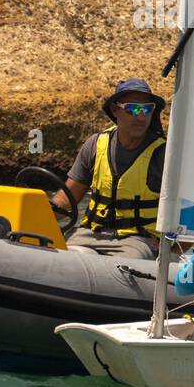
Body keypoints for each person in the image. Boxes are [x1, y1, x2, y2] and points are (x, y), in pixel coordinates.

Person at [55, 78, 167, 259]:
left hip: (137, 240)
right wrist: (39, 214)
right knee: (59, 257)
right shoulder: (94, 145)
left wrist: (173, 250)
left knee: (124, 269)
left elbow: (188, 212)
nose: (141, 116)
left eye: (147, 109)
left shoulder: (163, 154)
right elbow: (67, 199)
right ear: (115, 110)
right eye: (132, 109)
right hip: (89, 233)